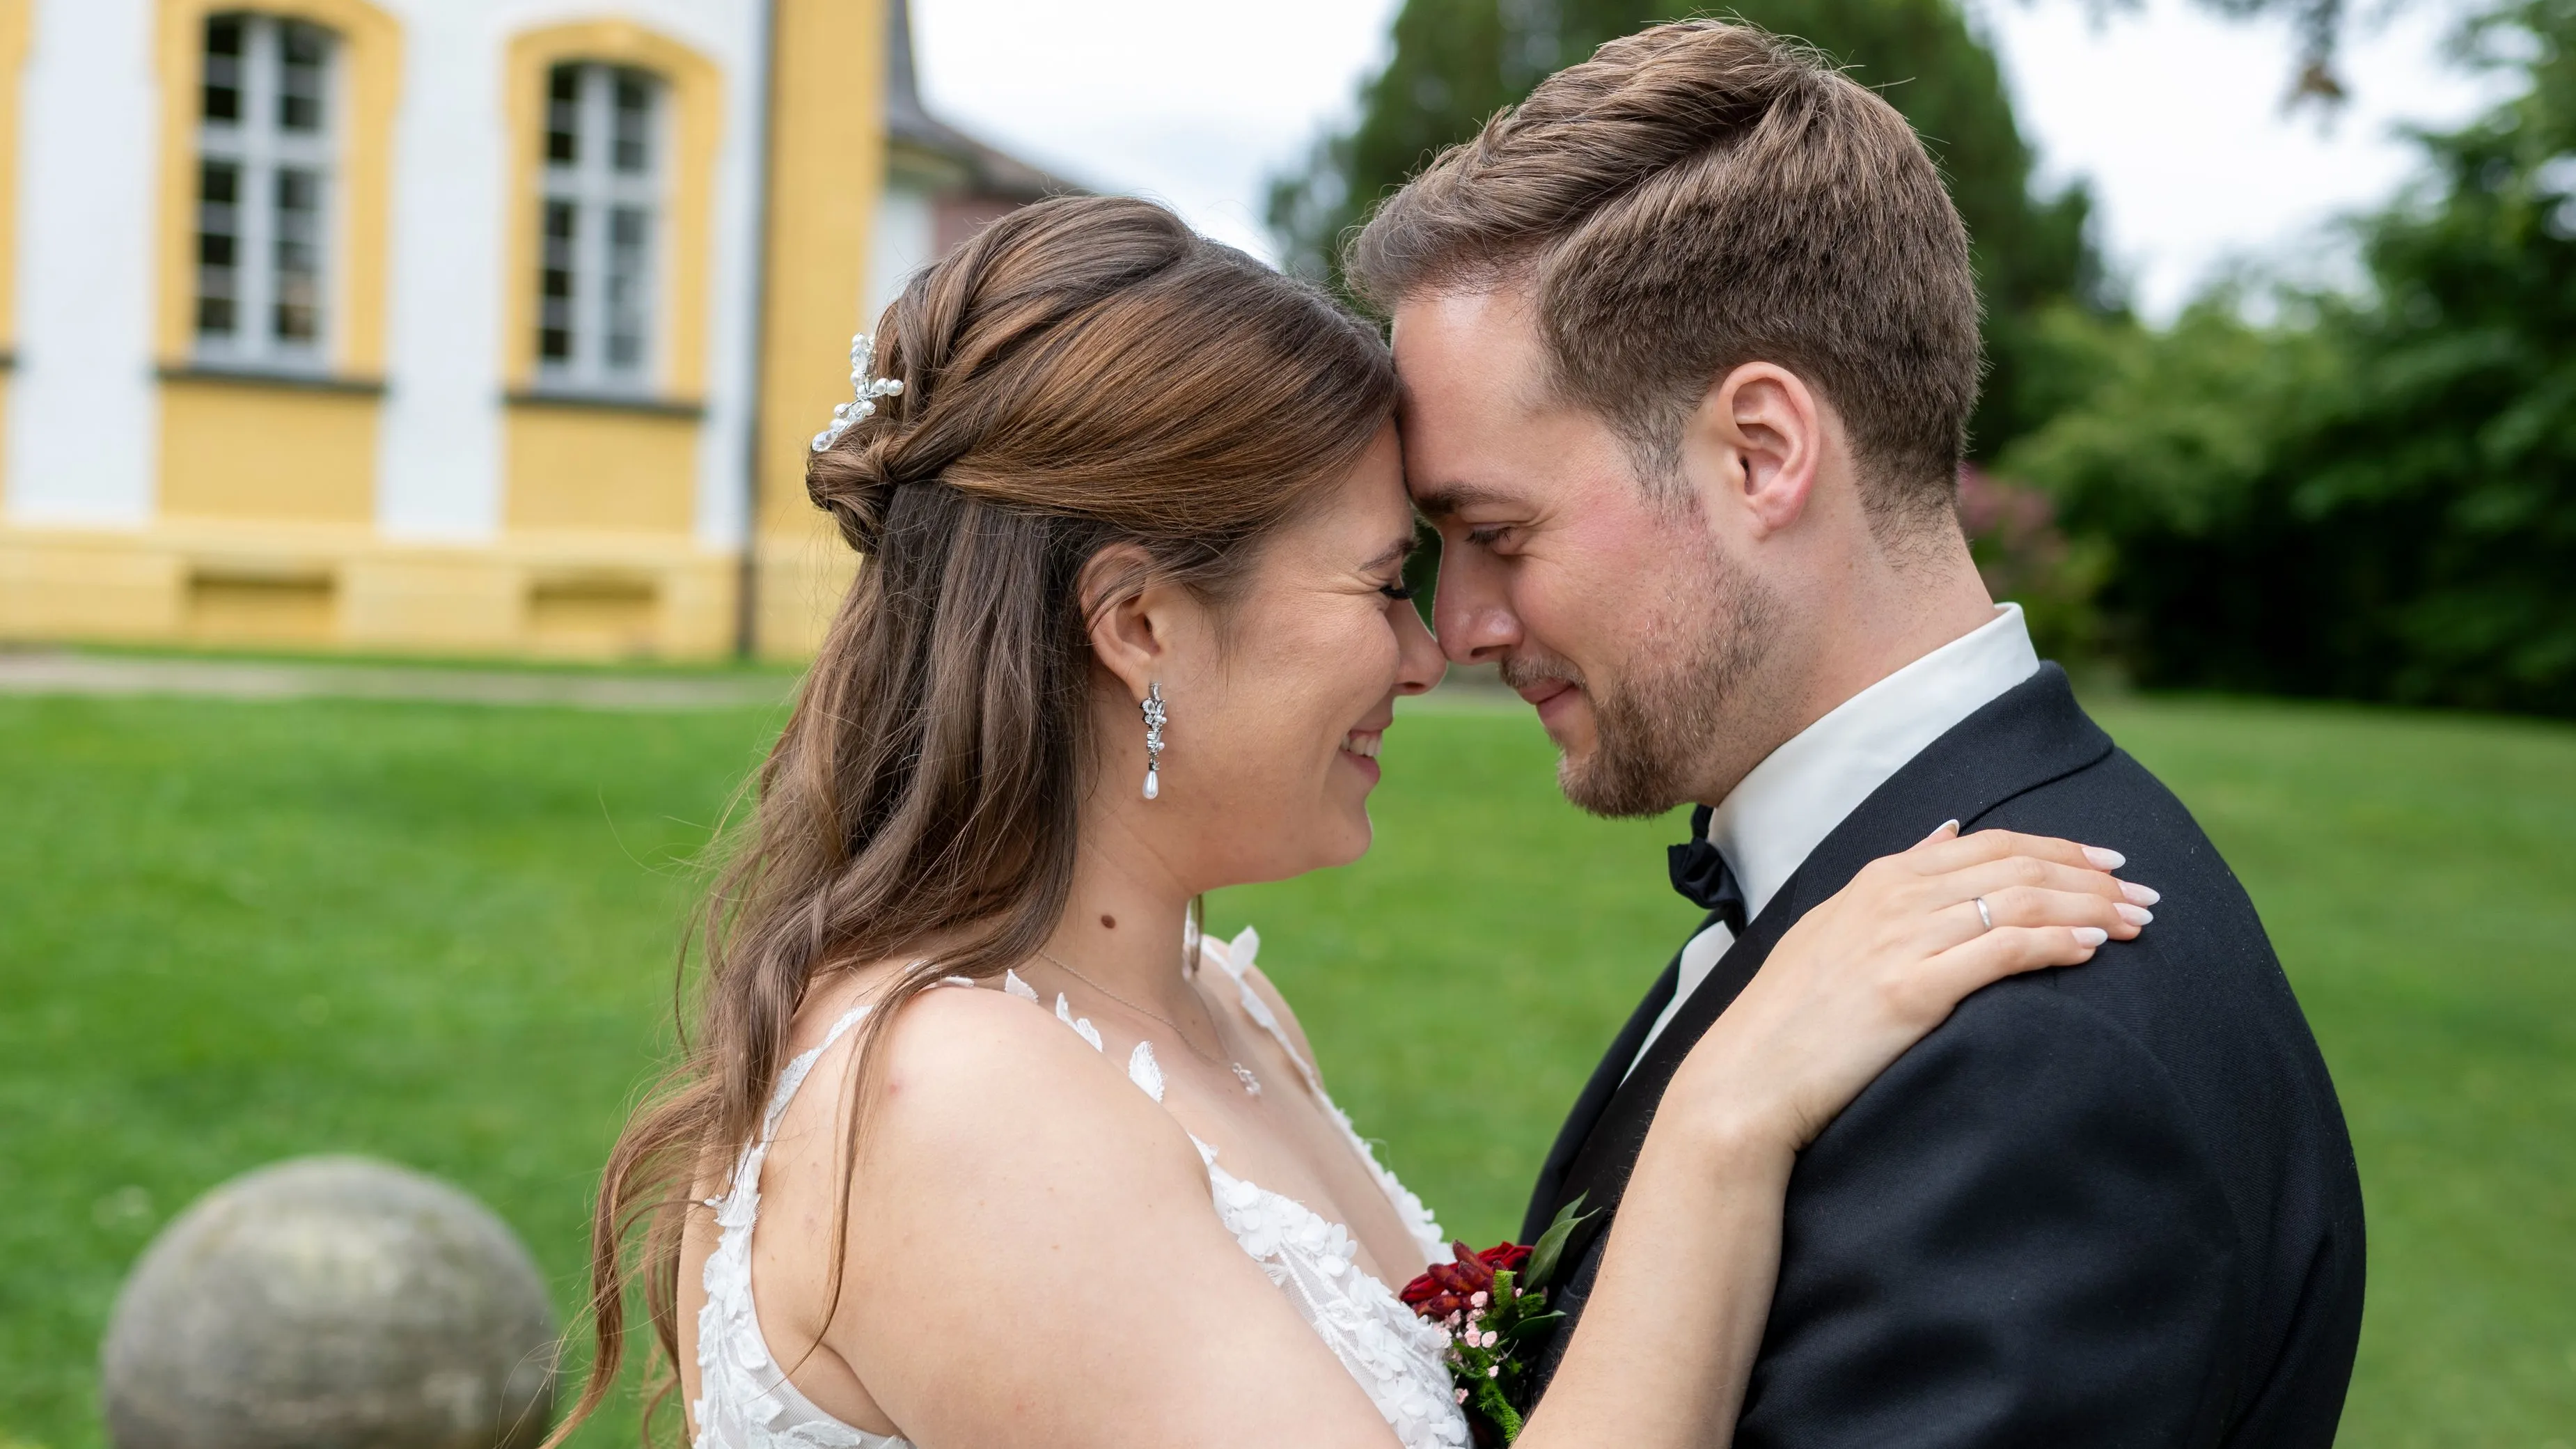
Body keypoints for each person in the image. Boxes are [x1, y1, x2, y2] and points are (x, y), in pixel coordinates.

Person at [543, 194, 2149, 1449]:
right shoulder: (956, 1102)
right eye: (1384, 581)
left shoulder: (1220, 1003)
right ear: (1140, 622)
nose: (1431, 646)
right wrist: (1724, 1118)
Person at [1347, 18, 2368, 1448]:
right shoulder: (1866, 897)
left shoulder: (2035, 1063)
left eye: (1494, 532)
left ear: (1759, 450)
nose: (1458, 625)